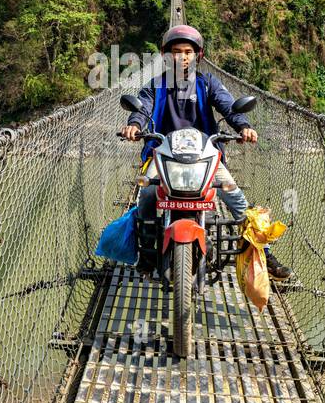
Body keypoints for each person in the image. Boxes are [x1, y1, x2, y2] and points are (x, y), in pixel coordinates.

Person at [120, 24, 291, 279]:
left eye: (188, 51)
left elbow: (229, 107)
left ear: (197, 55)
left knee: (235, 195)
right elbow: (142, 108)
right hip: (163, 153)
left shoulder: (207, 82)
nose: (183, 56)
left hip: (204, 155)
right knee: (145, 195)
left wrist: (244, 126)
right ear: (168, 55)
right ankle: (146, 253)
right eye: (177, 51)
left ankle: (264, 253)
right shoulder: (155, 85)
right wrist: (134, 125)